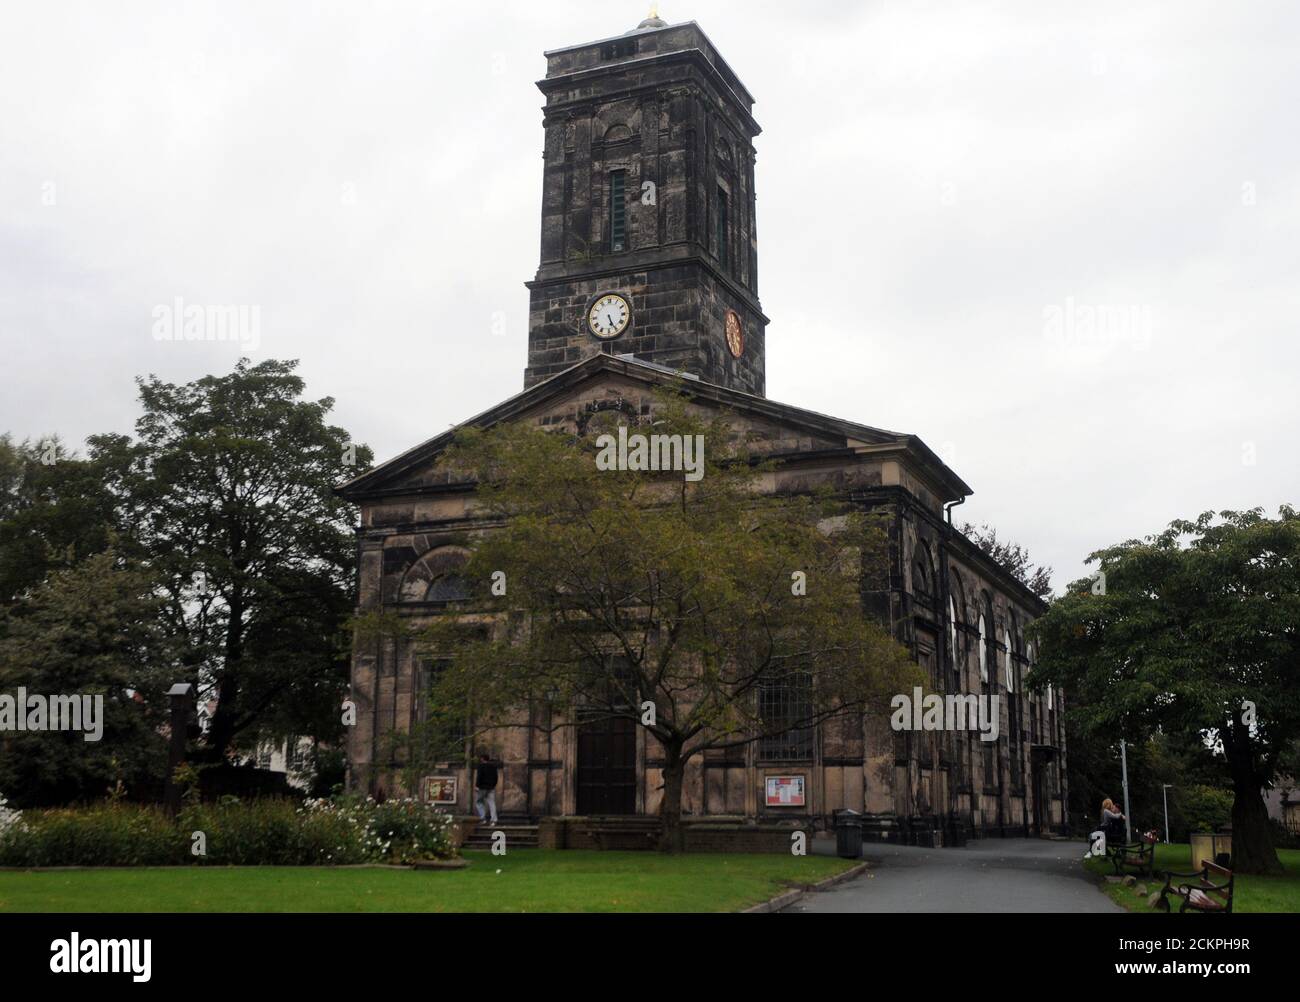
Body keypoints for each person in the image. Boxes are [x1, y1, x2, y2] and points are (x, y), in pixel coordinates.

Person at [474, 753, 500, 827]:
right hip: (491, 787)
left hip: (482, 787)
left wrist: (477, 786)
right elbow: (496, 777)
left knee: (479, 802)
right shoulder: (493, 766)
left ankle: (483, 819)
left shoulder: (481, 766)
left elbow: (479, 776)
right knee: (492, 803)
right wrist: (493, 785)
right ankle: (493, 820)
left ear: (482, 759)